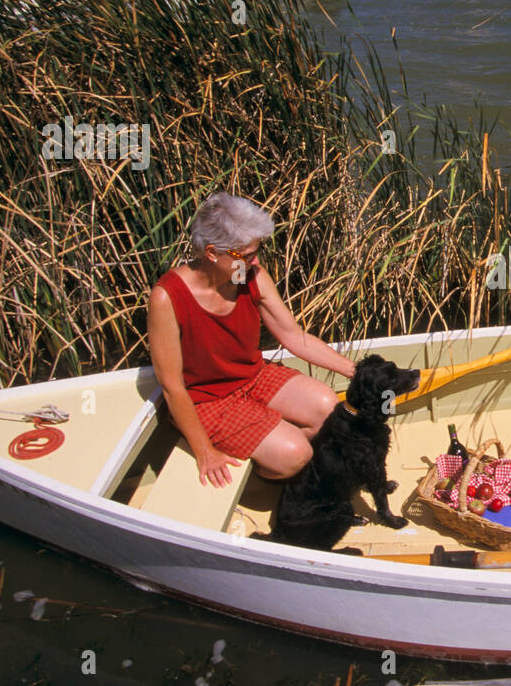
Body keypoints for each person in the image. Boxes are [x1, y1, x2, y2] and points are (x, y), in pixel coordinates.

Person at [148, 192, 356, 489]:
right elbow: (172, 386)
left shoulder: (252, 276)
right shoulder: (167, 297)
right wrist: (204, 451)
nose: (254, 261)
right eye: (245, 256)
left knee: (328, 407)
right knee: (295, 452)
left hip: (254, 376)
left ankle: (270, 447)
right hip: (208, 400)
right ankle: (266, 470)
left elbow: (293, 336)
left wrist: (354, 371)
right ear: (211, 253)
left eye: (256, 252)